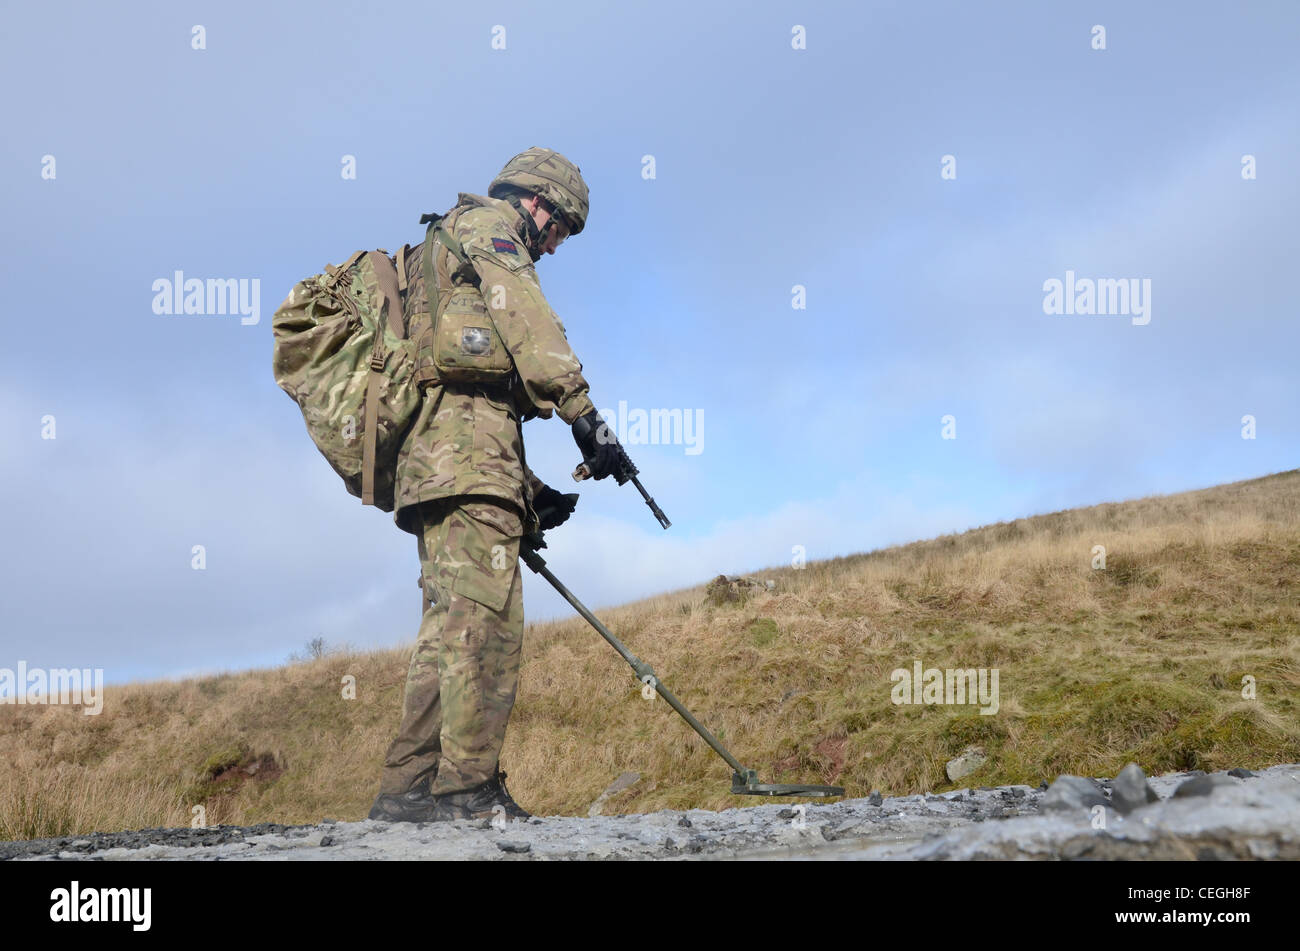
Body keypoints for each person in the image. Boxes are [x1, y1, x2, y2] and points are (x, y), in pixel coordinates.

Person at [368, 148, 623, 823]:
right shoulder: (491, 231)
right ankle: (466, 792)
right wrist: (584, 416)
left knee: (448, 626)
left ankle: (407, 790)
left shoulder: (442, 246)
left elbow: (458, 389)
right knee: (484, 628)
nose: (557, 244)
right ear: (535, 201)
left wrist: (527, 488)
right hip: (466, 464)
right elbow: (527, 320)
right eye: (561, 227)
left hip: (441, 465)